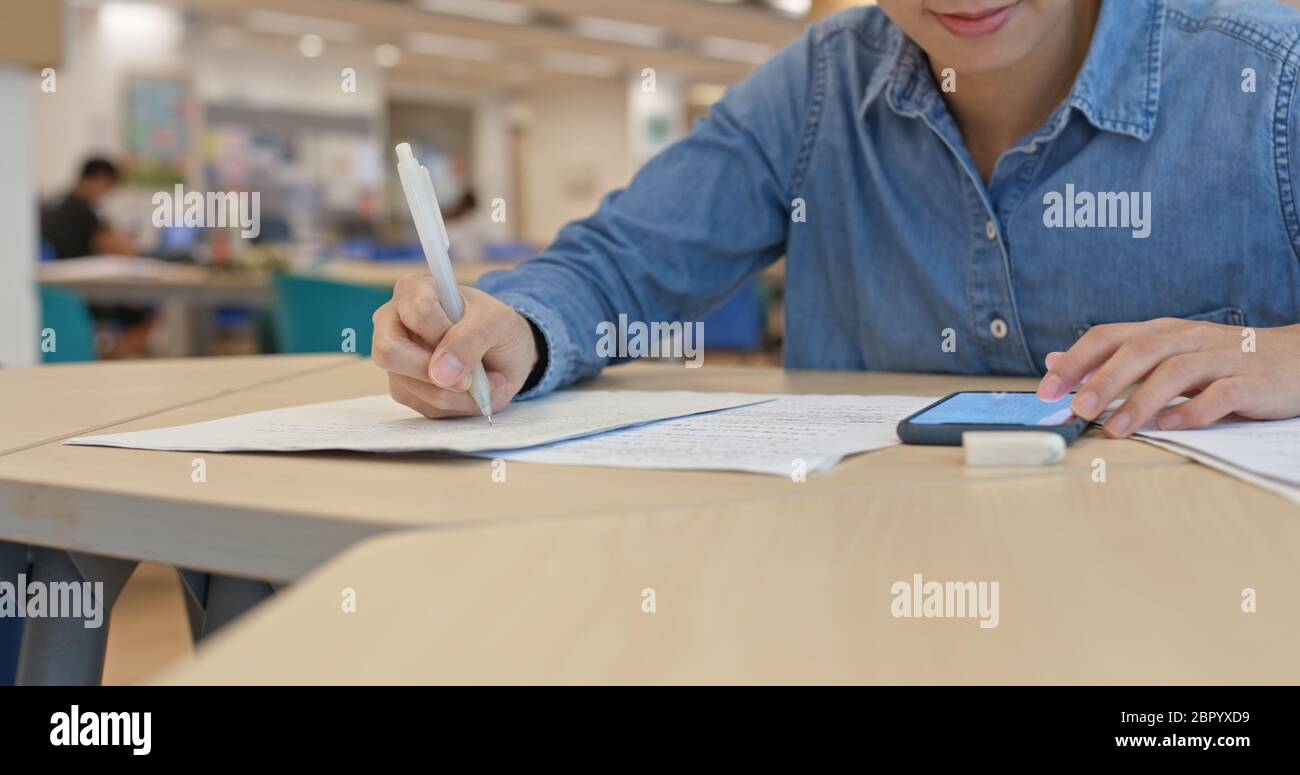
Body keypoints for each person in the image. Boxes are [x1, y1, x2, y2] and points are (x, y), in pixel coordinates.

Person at [371, 0, 1300, 439]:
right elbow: (616, 268)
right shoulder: (816, 89)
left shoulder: (1271, 79)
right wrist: (518, 331)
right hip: (867, 591)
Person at [40, 157, 151, 357]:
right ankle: (115, 361)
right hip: (85, 294)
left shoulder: (50, 205)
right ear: (100, 180)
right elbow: (121, 248)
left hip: (54, 295)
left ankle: (106, 357)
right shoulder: (84, 209)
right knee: (144, 313)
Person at [40, 157, 135, 259]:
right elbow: (122, 249)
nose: (105, 194)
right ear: (101, 179)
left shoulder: (52, 201)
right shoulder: (81, 209)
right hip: (70, 269)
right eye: (108, 187)